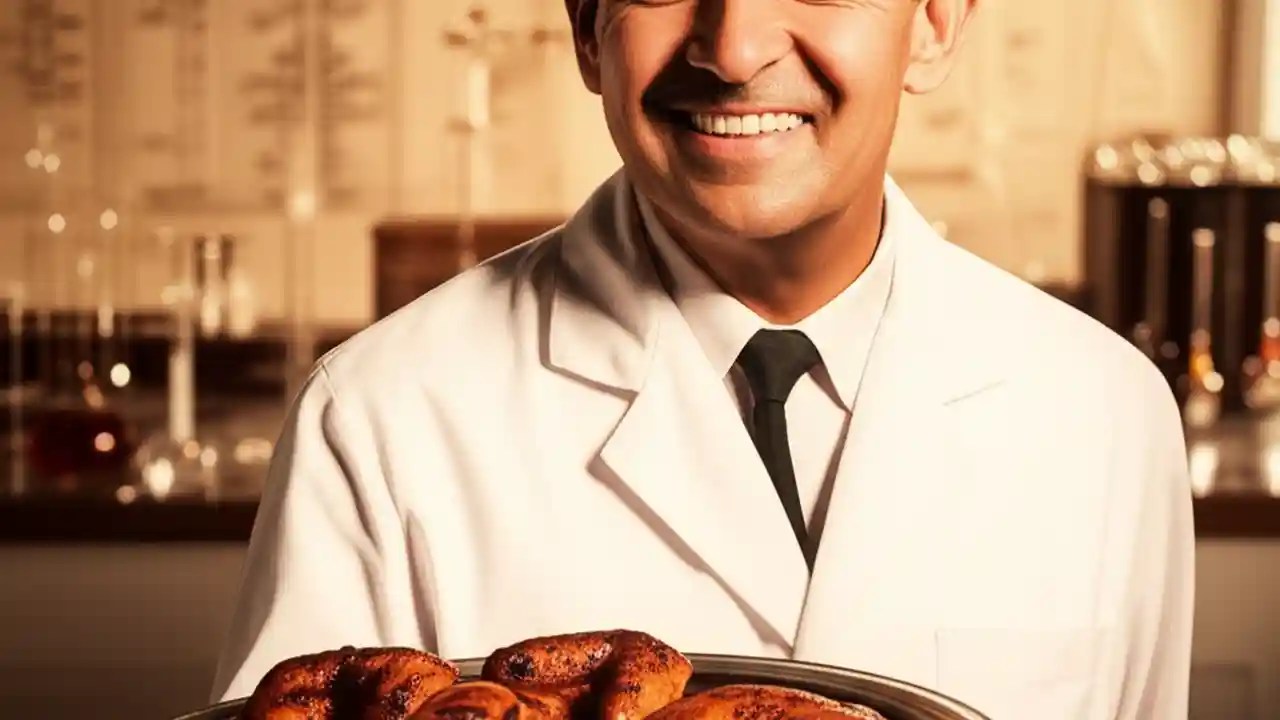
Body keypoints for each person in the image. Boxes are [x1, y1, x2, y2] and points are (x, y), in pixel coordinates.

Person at [211, 0, 1195, 717]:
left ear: (933, 22)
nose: (732, 47)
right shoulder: (381, 416)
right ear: (585, 29)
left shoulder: (1102, 412)